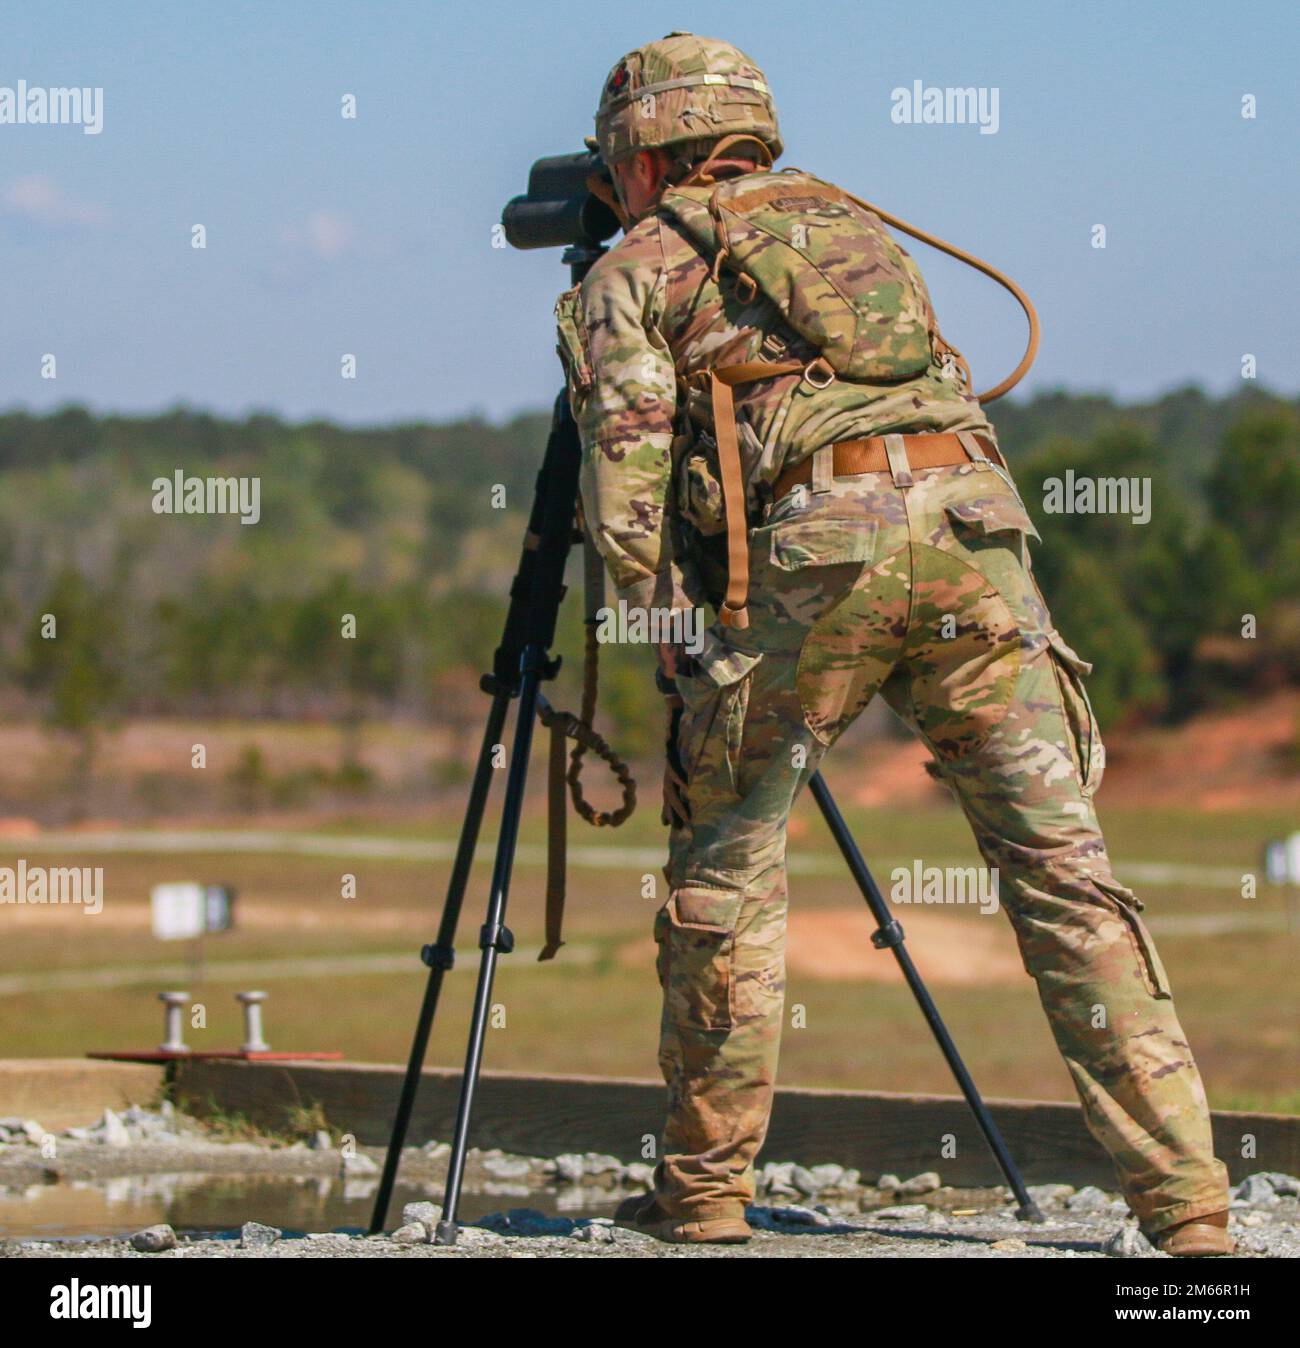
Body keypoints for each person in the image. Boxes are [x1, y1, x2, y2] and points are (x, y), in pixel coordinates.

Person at [555, 31, 1233, 1255]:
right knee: (1067, 879)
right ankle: (1189, 1215)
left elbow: (625, 491)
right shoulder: (854, 225)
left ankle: (703, 1202)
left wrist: (659, 623)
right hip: (977, 537)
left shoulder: (635, 266)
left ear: (641, 154)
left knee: (726, 868)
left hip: (819, 561)